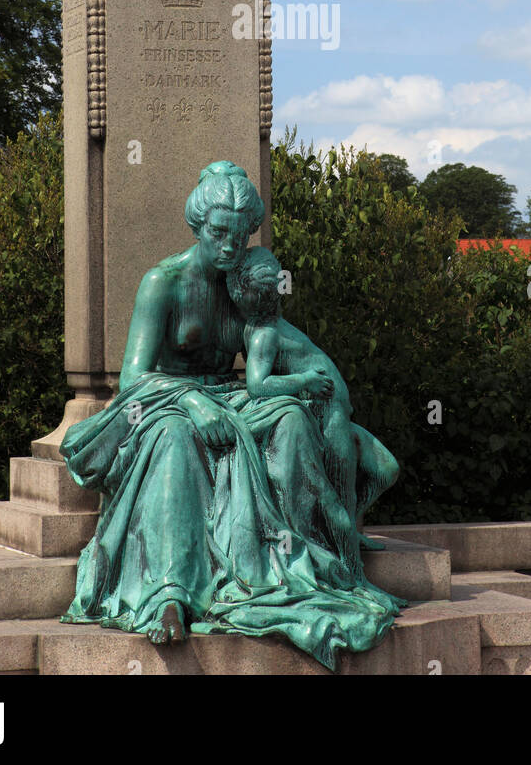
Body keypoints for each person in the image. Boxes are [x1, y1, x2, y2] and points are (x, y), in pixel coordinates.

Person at [59, 162, 402, 669]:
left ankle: (305, 566)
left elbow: (272, 355)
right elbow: (132, 381)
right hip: (162, 403)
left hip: (231, 397)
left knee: (287, 417)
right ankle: (168, 594)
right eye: (219, 233)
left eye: (239, 237)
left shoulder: (245, 285)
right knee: (175, 439)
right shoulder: (164, 282)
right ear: (198, 227)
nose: (228, 247)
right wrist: (192, 402)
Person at [227, 246, 399, 552]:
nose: (276, 294)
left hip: (337, 413)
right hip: (324, 415)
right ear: (248, 295)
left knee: (386, 469)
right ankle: (345, 556)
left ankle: (348, 529)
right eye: (266, 291)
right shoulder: (263, 334)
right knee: (340, 497)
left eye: (274, 288)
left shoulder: (275, 324)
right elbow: (257, 384)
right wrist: (305, 381)